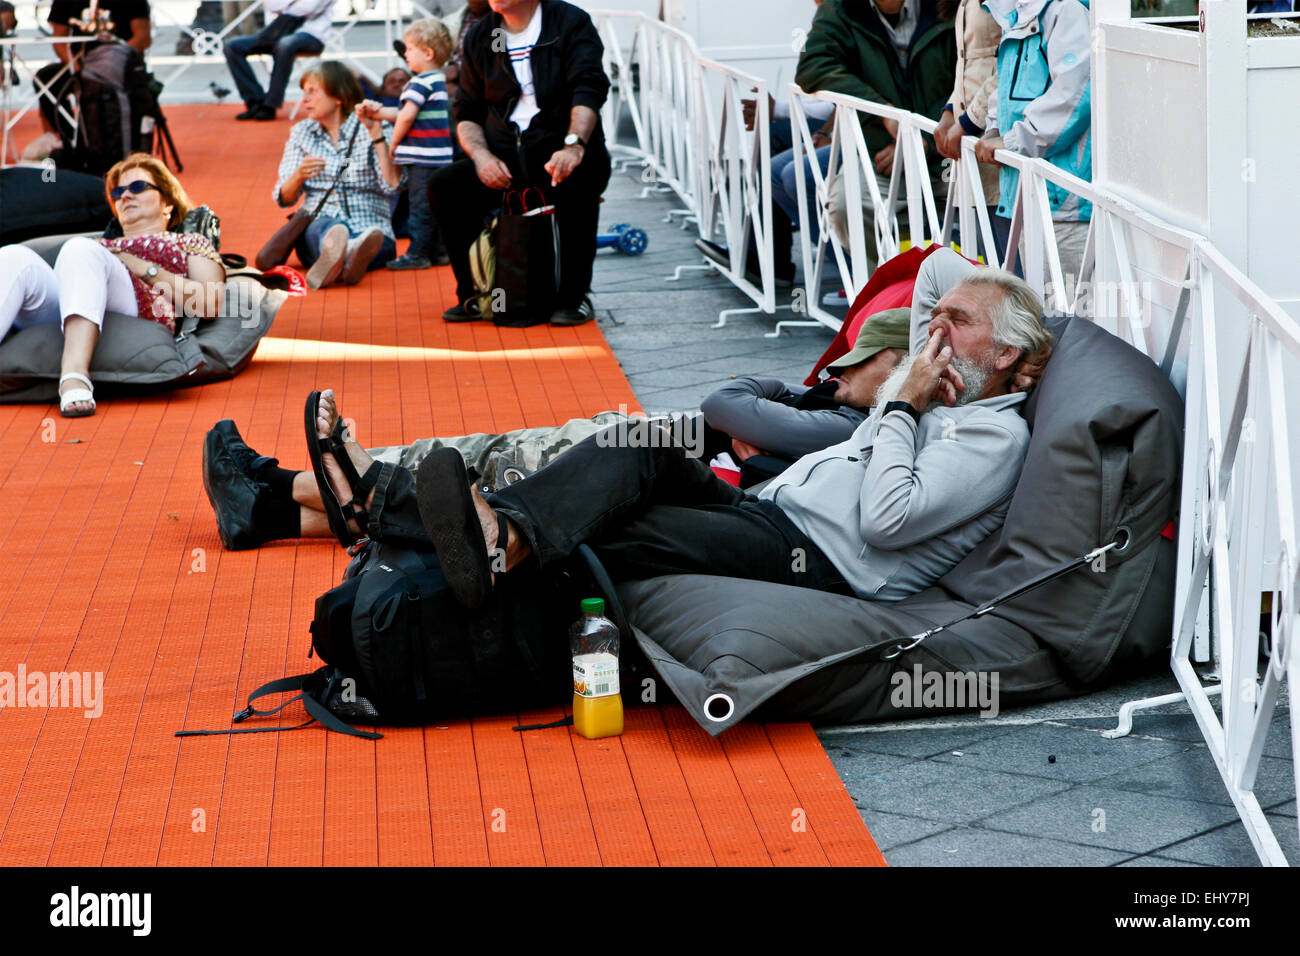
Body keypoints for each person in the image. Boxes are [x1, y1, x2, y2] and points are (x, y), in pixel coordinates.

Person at [299, 262, 1050, 611]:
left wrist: (903, 409)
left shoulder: (992, 440)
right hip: (771, 508)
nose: (935, 334)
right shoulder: (947, 380)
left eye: (958, 323)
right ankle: (496, 533)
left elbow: (889, 519)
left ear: (1008, 353)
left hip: (819, 560)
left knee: (619, 532)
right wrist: (932, 367)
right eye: (937, 317)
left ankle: (389, 505)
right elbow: (942, 274)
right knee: (647, 445)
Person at [201, 307, 915, 549]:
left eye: (856, 365)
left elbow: (724, 402)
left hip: (641, 461)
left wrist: (774, 399)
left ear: (895, 363)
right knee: (485, 463)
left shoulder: (849, 425)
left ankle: (309, 483)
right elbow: (730, 415)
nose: (833, 374)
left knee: (479, 469)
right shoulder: (837, 413)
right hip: (643, 446)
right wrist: (777, 407)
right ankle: (265, 507)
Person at [0, 154, 226, 417]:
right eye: (118, 192)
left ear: (167, 202)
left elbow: (209, 302)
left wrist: (142, 266)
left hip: (143, 306)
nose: (126, 196)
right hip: (75, 296)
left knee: (81, 249)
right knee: (13, 255)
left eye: (138, 187)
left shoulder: (188, 241)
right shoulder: (99, 244)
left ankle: (74, 375)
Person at [429, 0, 612, 325]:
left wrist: (574, 145)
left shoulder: (569, 22)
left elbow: (588, 89)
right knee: (446, 187)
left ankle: (573, 297)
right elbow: (466, 110)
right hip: (503, 154)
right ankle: (474, 294)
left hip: (558, 147)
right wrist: (482, 157)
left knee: (577, 178)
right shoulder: (481, 35)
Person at [796, 0, 956, 269]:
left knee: (996, 212)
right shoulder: (840, 8)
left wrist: (921, 141)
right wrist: (882, 111)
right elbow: (812, 67)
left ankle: (978, 303)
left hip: (952, 154)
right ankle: (885, 300)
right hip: (881, 154)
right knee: (845, 205)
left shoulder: (952, 4)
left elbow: (975, 77)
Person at [975, 0, 1091, 289]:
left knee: (1067, 324)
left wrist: (1011, 140)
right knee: (1046, 322)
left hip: (1063, 204)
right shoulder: (1020, 14)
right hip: (1033, 200)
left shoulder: (1068, 10)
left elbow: (1075, 95)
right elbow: (1005, 89)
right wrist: (993, 130)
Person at [273, 61, 405, 289]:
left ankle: (346, 255)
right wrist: (298, 175)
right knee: (325, 231)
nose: (304, 100)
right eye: (304, 92)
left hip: (371, 223)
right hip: (322, 218)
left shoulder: (373, 126)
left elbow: (392, 185)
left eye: (312, 92)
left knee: (375, 240)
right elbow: (284, 198)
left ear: (338, 96)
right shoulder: (301, 133)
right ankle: (345, 255)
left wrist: (376, 134)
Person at [359, 19, 455, 270]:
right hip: (439, 156)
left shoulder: (419, 82)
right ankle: (439, 250)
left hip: (422, 158)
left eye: (409, 49)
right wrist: (379, 114)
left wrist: (394, 143)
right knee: (437, 205)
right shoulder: (437, 81)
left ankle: (418, 254)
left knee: (420, 207)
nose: (405, 54)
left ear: (428, 53)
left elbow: (407, 117)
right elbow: (405, 112)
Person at [932, 0, 1006, 262]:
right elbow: (966, 64)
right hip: (971, 143)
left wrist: (965, 122)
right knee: (990, 260)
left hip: (996, 137)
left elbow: (1009, 64)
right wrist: (949, 113)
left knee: (1010, 265)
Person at [33, 0, 151, 142]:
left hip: (121, 66)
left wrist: (115, 59)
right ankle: (70, 141)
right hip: (80, 65)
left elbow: (143, 37)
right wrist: (75, 67)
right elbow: (59, 40)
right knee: (44, 78)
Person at [225, 0, 335, 121]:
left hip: (312, 36)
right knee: (232, 46)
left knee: (285, 45)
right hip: (277, 33)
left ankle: (270, 104)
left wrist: (286, 5)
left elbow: (310, 8)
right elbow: (271, 5)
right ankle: (255, 101)